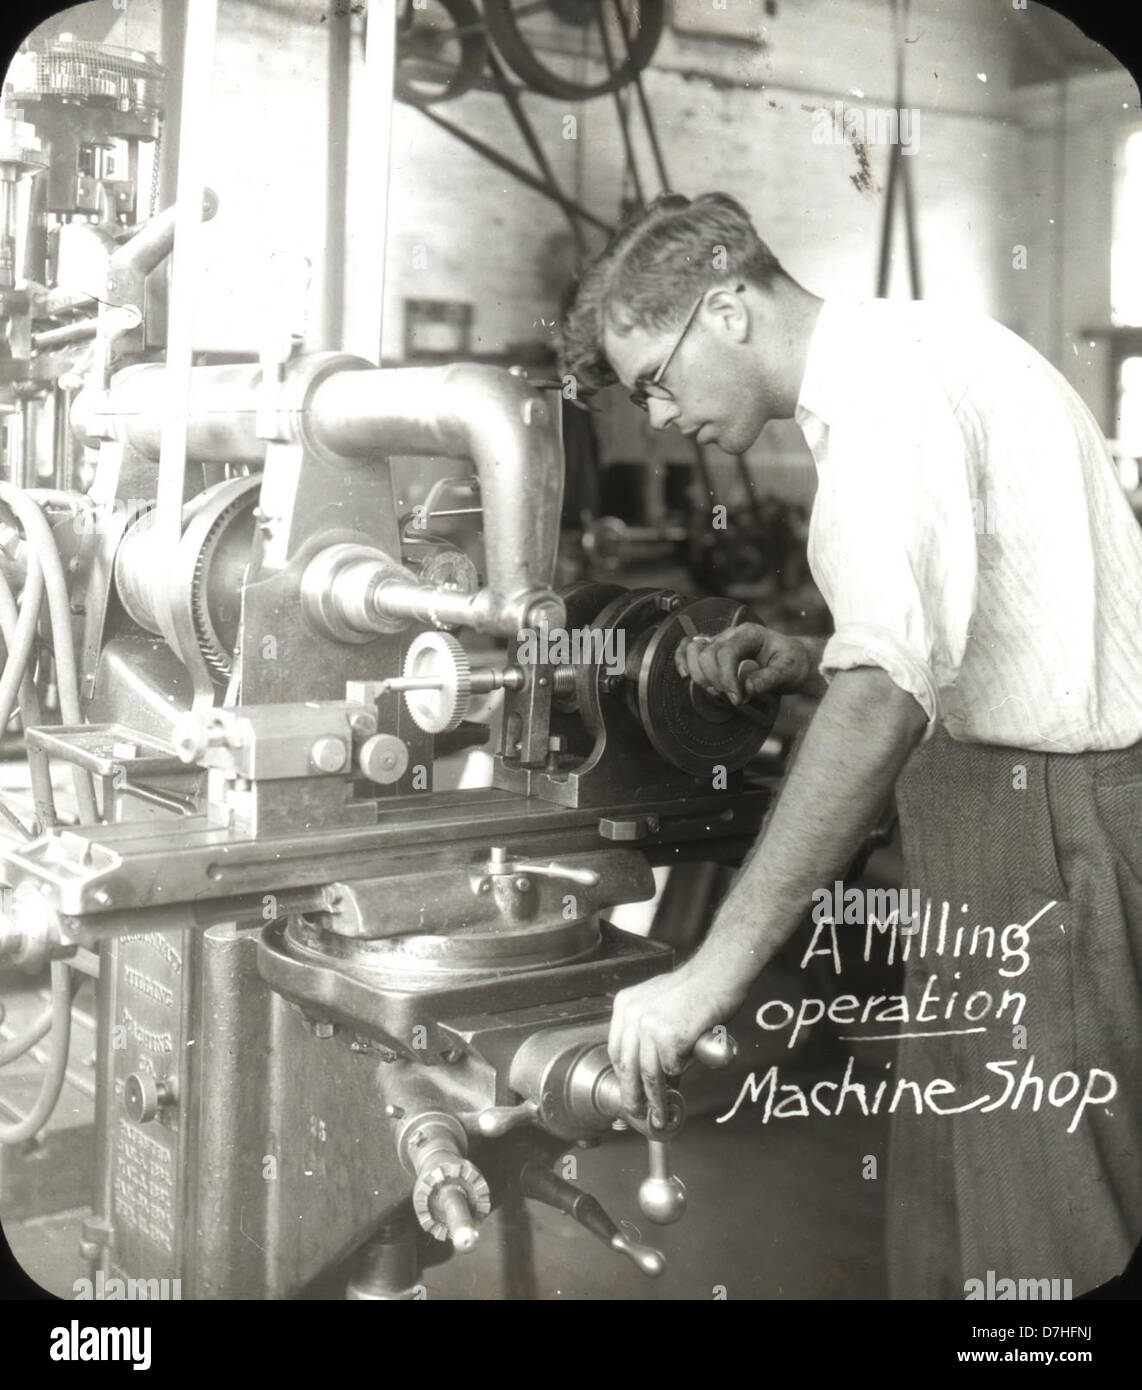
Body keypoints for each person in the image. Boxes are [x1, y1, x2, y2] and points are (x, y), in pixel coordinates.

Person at [561, 191, 1142, 1298]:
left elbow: (881, 703)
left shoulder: (884, 398)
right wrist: (807, 654)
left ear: (726, 308)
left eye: (654, 381)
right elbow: (965, 625)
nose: (658, 417)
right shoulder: (903, 358)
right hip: (995, 812)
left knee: (1048, 1241)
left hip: (1046, 830)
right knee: (961, 1216)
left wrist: (705, 978)